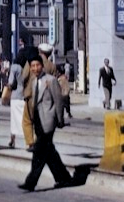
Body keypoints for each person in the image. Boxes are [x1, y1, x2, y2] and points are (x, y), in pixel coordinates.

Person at [18, 53, 74, 192]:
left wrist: (60, 120)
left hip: (48, 122)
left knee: (39, 153)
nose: (35, 68)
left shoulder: (51, 80)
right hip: (38, 121)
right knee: (50, 153)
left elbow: (58, 101)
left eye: (37, 65)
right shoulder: (34, 81)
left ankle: (30, 182)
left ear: (42, 66)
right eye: (33, 66)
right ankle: (64, 178)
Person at [21, 43, 55, 151]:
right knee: (40, 120)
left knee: (27, 120)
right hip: (45, 97)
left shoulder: (31, 62)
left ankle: (31, 143)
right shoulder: (51, 65)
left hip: (30, 95)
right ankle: (38, 142)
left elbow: (24, 76)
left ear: (40, 51)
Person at [7, 51, 27, 149]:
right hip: (25, 95)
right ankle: (28, 140)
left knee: (14, 120)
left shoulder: (15, 67)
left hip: (15, 96)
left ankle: (12, 140)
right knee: (25, 119)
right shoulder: (27, 68)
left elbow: (11, 82)